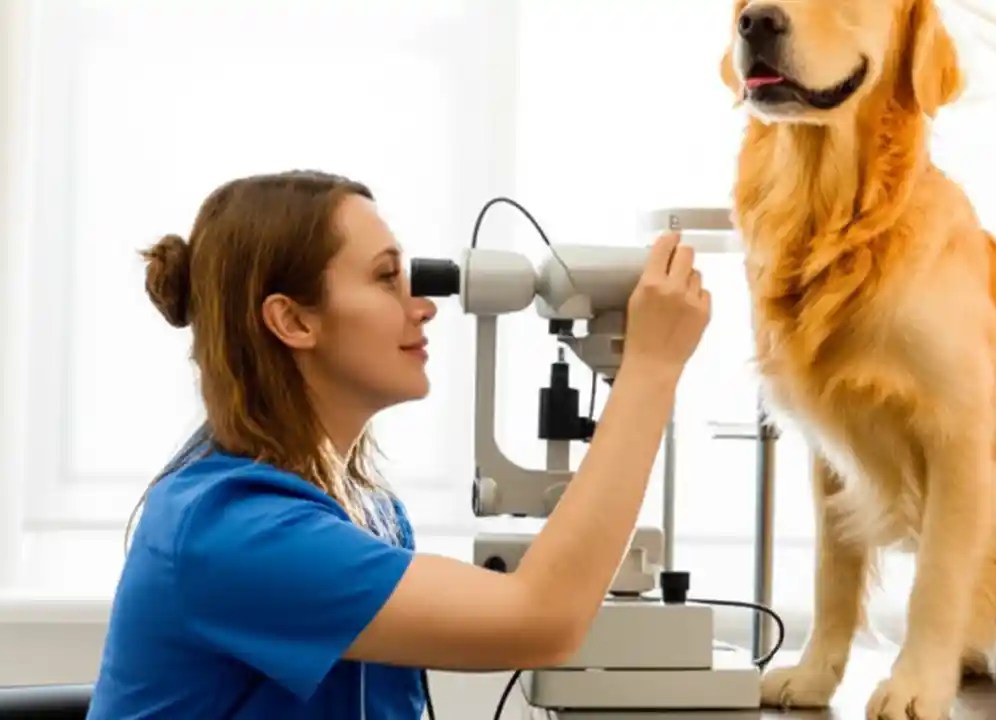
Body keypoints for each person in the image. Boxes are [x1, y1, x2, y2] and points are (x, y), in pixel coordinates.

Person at [86, 170, 711, 719]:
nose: (422, 306)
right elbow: (543, 620)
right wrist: (651, 368)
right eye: (386, 278)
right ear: (293, 321)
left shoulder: (366, 509)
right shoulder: (231, 531)